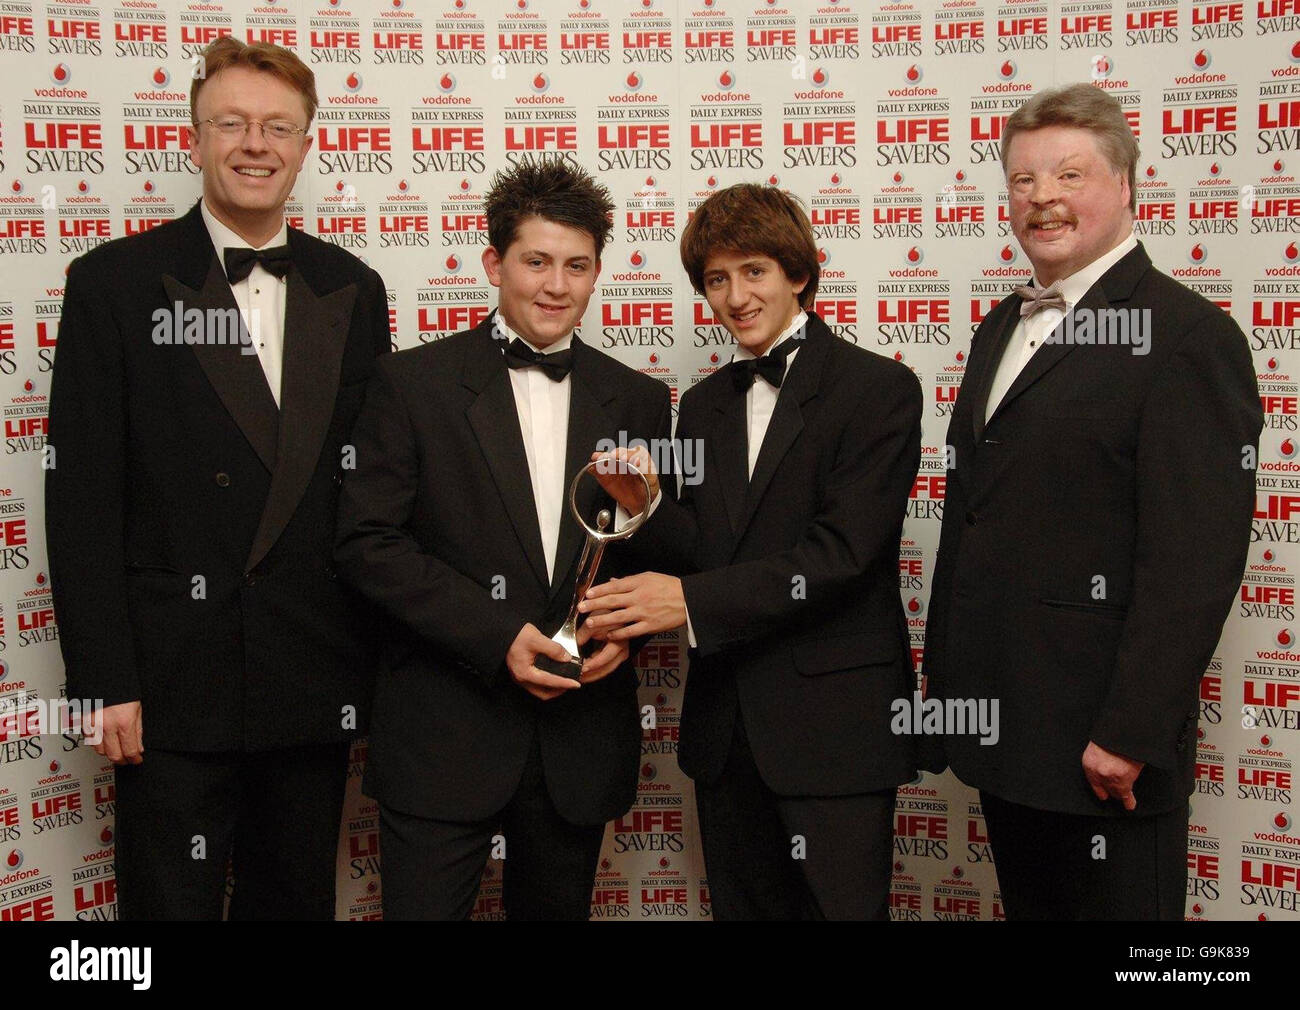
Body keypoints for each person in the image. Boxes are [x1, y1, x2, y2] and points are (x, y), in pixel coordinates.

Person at [45, 37, 391, 919]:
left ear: (307, 146)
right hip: (168, 689)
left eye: (278, 127)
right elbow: (80, 501)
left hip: (310, 683)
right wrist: (103, 682)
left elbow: (368, 499)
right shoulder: (113, 286)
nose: (254, 143)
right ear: (194, 138)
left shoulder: (353, 288)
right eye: (231, 122)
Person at [921, 83, 1262, 920]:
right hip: (1004, 738)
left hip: (1104, 755)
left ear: (1127, 184)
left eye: (1069, 175)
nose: (1043, 199)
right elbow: (975, 519)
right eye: (1023, 180)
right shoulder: (999, 326)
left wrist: (1130, 732)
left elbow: (1194, 559)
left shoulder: (1188, 336)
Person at [334, 160, 671, 921]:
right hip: (442, 738)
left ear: (597, 273)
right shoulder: (411, 384)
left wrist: (626, 636)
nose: (557, 286)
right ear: (494, 264)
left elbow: (647, 554)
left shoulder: (641, 398)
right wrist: (498, 637)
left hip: (576, 743)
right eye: (537, 261)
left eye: (577, 266)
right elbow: (366, 544)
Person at [580, 183, 922, 920]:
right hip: (726, 733)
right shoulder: (702, 405)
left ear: (798, 273)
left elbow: (843, 555)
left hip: (836, 731)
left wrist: (688, 602)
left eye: (755, 270)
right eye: (715, 279)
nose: (735, 295)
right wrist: (647, 508)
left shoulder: (880, 389)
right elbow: (706, 548)